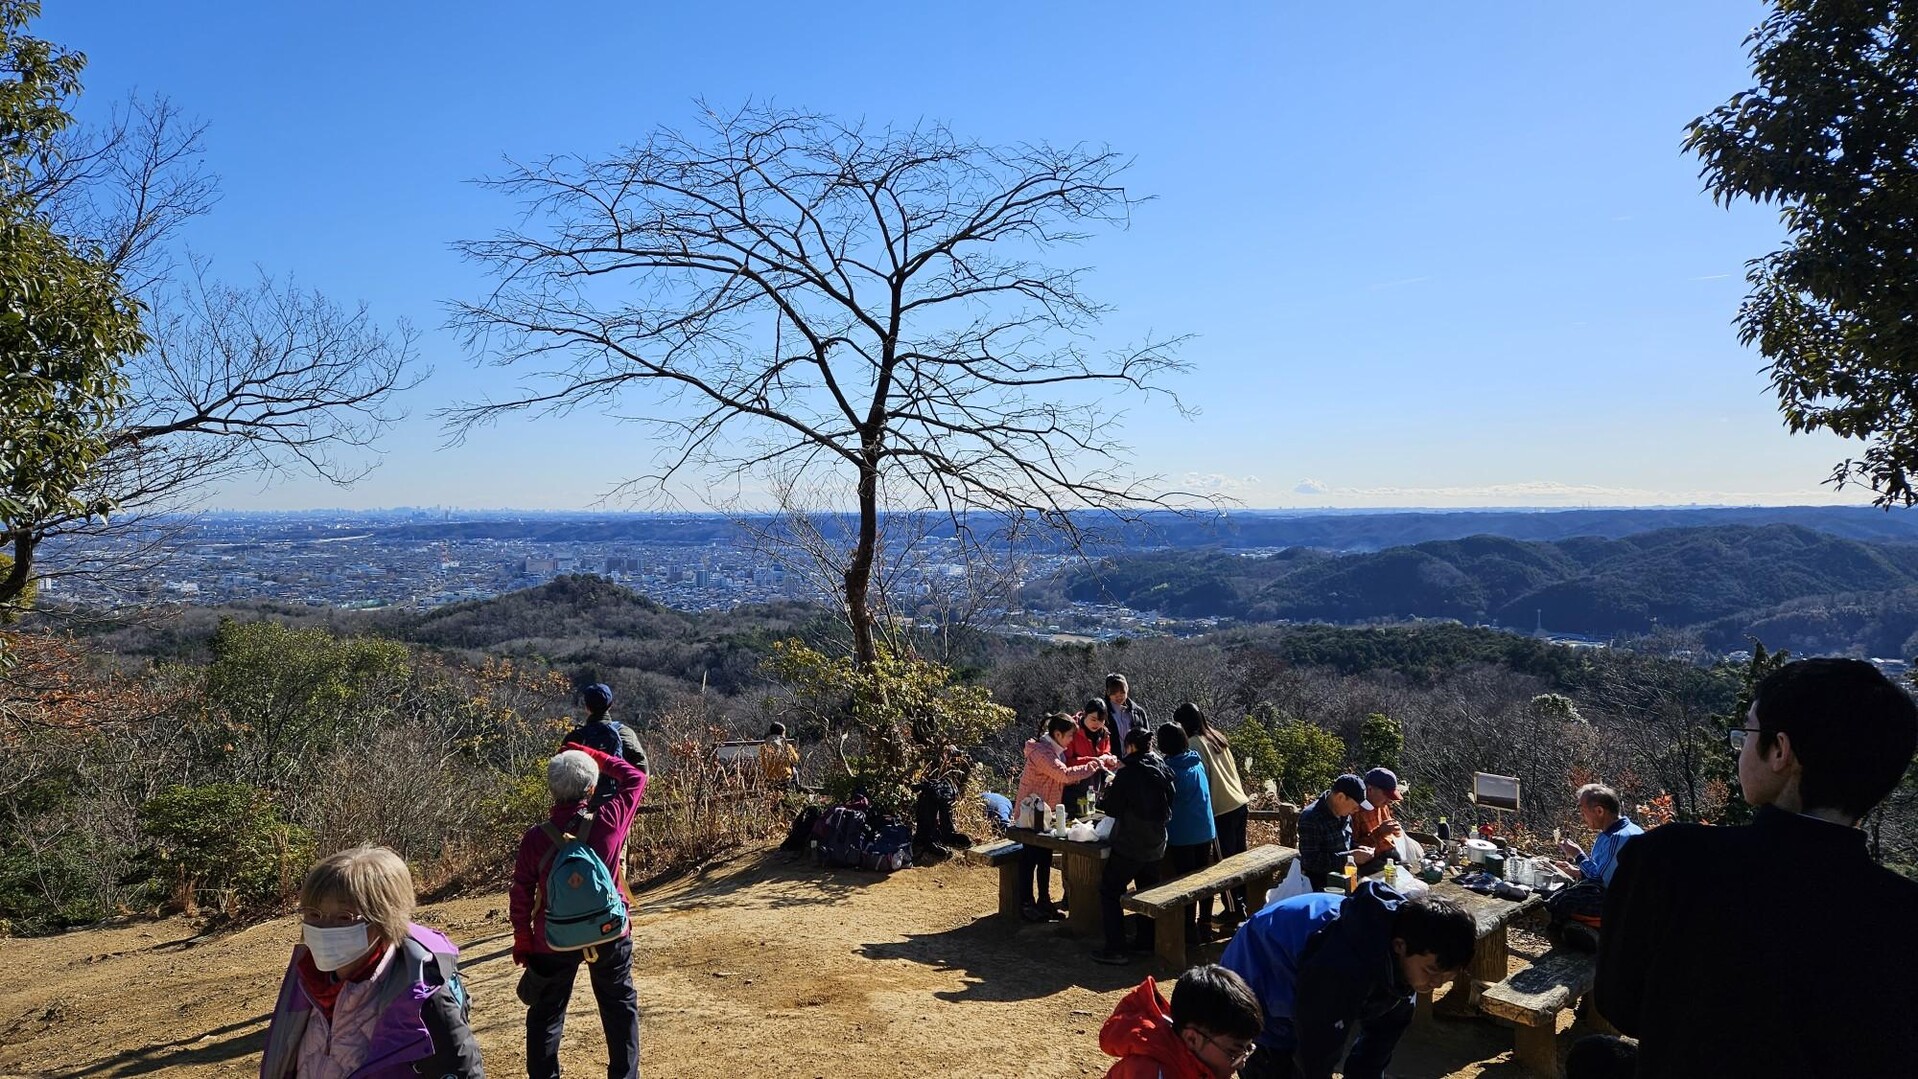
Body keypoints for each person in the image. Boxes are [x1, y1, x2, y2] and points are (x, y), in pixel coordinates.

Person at [1586, 657, 1918, 1078]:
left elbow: (1621, 1004)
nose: (1741, 746)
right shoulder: (1904, 912)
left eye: (1747, 733)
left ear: (1780, 751)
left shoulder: (1671, 859)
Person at [261, 846, 483, 1079]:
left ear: (383, 919)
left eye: (344, 917)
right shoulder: (304, 985)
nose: (324, 928)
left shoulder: (422, 1001)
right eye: (314, 914)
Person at [1221, 883, 1475, 1079]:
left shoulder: (1404, 967)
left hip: (1305, 978)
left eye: (1447, 977)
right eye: (1432, 971)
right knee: (1275, 1061)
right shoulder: (1343, 963)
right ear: (1400, 946)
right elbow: (1316, 1052)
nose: (1436, 984)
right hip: (1258, 970)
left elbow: (1375, 1051)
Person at [512, 741, 649, 1079]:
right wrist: (595, 755)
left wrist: (523, 938)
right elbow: (636, 777)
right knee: (619, 1007)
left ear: (552, 790)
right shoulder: (609, 820)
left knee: (546, 1015)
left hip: (552, 940)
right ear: (591, 788)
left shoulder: (535, 839)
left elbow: (521, 893)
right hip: (609, 932)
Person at [1014, 713, 1118, 920]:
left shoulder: (1053, 750)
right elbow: (1064, 774)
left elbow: (1065, 772)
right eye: (1070, 736)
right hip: (1030, 814)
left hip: (1044, 811)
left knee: (1044, 857)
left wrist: (1094, 762)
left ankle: (1043, 901)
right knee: (1030, 858)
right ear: (1057, 734)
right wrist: (1095, 764)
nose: (1072, 740)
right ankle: (1026, 904)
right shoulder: (1042, 753)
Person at [1092, 725, 1176, 965]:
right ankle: (1145, 942)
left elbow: (1112, 809)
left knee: (1110, 889)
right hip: (1157, 841)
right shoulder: (1162, 768)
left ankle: (1115, 948)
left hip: (1131, 842)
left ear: (1130, 746)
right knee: (1147, 889)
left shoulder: (1128, 773)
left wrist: (1108, 791)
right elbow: (1171, 798)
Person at [1100, 964, 1264, 1079]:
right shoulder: (1151, 1073)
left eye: (1248, 1049)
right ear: (1192, 1039)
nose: (1241, 1064)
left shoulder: (1195, 1064)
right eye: (1233, 1053)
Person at [1177, 702, 1250, 922]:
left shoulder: (1194, 743)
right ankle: (1242, 902)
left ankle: (1233, 910)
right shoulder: (1216, 736)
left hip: (1221, 809)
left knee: (1224, 863)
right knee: (1239, 858)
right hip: (1239, 802)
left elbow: (1202, 779)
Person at [1542, 783, 1640, 943]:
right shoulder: (1626, 829)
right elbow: (1608, 873)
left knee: (1560, 901)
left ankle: (1587, 936)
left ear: (1599, 811)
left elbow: (1600, 879)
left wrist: (1578, 855)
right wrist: (1576, 871)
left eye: (1583, 812)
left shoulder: (1619, 838)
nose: (1582, 817)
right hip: (1620, 894)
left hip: (1622, 904)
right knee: (1561, 894)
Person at [1158, 722, 1218, 945]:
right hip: (1205, 830)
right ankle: (1205, 924)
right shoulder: (1196, 762)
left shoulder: (1170, 771)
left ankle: (1188, 929)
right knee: (1204, 879)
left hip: (1183, 834)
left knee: (1185, 882)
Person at [561, 682, 650, 803]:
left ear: (587, 707)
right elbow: (641, 767)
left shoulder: (575, 738)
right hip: (616, 805)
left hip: (582, 807)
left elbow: (561, 776)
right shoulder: (625, 733)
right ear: (610, 705)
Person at [1296, 774, 1375, 891]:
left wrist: (1359, 849)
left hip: (1347, 879)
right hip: (1321, 886)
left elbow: (1346, 843)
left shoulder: (1345, 813)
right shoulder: (1311, 818)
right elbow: (1311, 862)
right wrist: (1350, 857)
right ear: (1341, 797)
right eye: (1356, 805)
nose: (1357, 810)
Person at [1348, 768, 1405, 876]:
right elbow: (1352, 850)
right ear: (1370, 790)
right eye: (1386, 795)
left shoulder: (1382, 805)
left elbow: (1389, 835)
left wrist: (1394, 830)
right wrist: (1379, 833)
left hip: (1389, 855)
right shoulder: (1354, 810)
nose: (1389, 801)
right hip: (1369, 863)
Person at [1063, 698, 1115, 817]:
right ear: (1085, 714)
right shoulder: (1072, 731)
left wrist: (1109, 760)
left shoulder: (1104, 734)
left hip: (1094, 790)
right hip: (1074, 788)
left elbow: (1105, 756)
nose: (1097, 724)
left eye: (1101, 720)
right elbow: (1065, 762)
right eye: (1093, 719)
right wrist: (1093, 761)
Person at [1105, 672, 1151, 748]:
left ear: (1127, 689)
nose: (1118, 696)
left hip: (1136, 755)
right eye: (1114, 693)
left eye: (1122, 692)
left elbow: (1147, 738)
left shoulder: (1138, 712)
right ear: (1107, 692)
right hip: (1113, 755)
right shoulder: (1103, 713)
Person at [759, 721, 801, 790]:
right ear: (782, 733)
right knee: (794, 770)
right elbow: (795, 760)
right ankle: (797, 790)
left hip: (769, 779)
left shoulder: (763, 747)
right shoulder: (787, 747)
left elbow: (762, 763)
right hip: (785, 779)